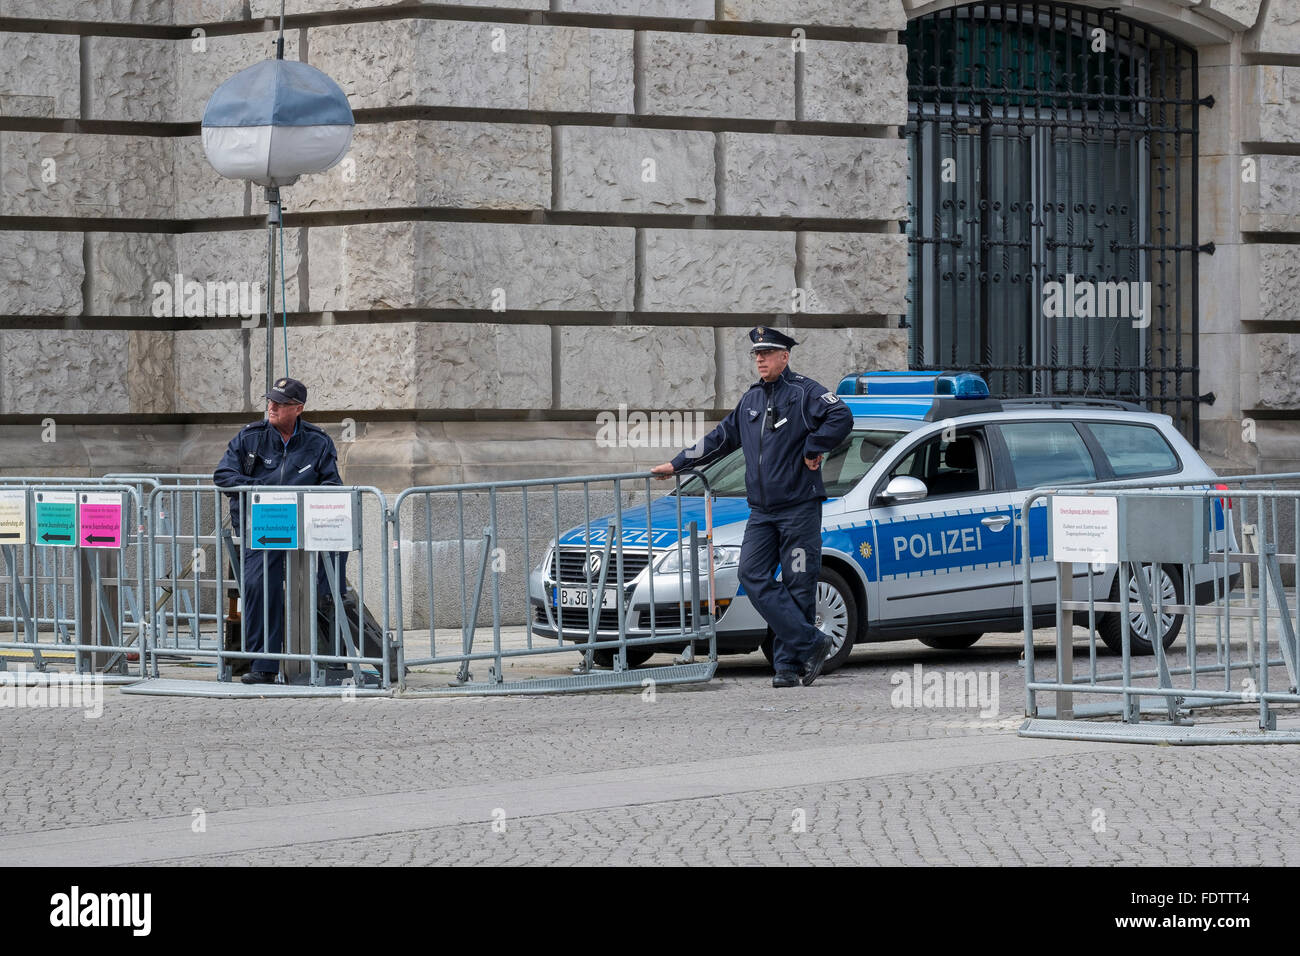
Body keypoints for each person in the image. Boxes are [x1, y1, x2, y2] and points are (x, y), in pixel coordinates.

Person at [652, 328, 854, 688]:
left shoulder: (804, 393)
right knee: (751, 574)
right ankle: (811, 642)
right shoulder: (751, 401)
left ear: (784, 356)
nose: (760, 358)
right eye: (756, 354)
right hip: (762, 512)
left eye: (768, 352)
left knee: (799, 584)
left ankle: (788, 667)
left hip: (799, 509)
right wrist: (678, 464)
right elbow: (720, 439)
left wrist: (813, 447)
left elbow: (841, 417)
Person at [214, 377, 344, 685]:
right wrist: (260, 490)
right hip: (262, 526)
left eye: (281, 403)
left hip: (305, 529)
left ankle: (325, 658)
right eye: (270, 400)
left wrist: (305, 500)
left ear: (298, 409)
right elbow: (223, 475)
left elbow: (332, 484)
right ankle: (264, 664)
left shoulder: (318, 441)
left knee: (328, 587)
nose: (271, 406)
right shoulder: (251, 437)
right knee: (259, 586)